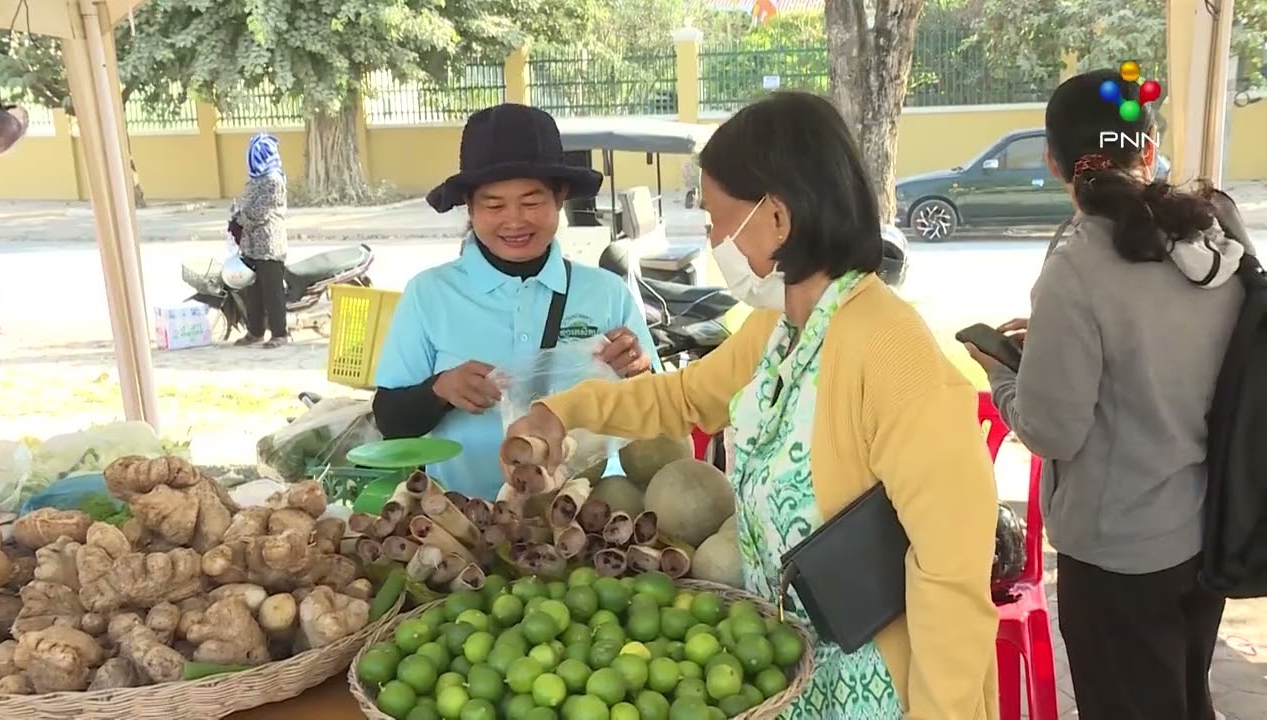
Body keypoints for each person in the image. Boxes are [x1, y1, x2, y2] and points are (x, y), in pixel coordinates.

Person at [505, 91, 1000, 719]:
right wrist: (562, 411)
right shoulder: (776, 330)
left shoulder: (889, 348)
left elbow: (952, 568)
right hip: (793, 670)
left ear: (777, 218)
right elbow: (681, 395)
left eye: (716, 218)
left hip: (877, 689)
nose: (711, 237)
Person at [966, 69, 1249, 720]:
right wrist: (1063, 340)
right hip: (1205, 529)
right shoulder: (1215, 229)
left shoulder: (1078, 262)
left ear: (1053, 161)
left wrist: (1000, 370)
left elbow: (1051, 429)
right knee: (1182, 698)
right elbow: (1185, 346)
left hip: (1116, 556)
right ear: (1149, 148)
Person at [372, 103, 660, 500]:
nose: (514, 220)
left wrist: (638, 372)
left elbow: (657, 412)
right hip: (462, 524)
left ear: (560, 198)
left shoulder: (606, 294)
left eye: (531, 202)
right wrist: (439, 390)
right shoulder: (429, 294)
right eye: (493, 205)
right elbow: (390, 419)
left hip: (587, 522)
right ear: (469, 207)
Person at [233, 132, 289, 349]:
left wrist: (239, 218)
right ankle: (255, 331)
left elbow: (259, 212)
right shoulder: (255, 180)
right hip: (251, 246)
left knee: (272, 292)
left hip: (268, 244)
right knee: (252, 292)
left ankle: (279, 334)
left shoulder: (273, 180)